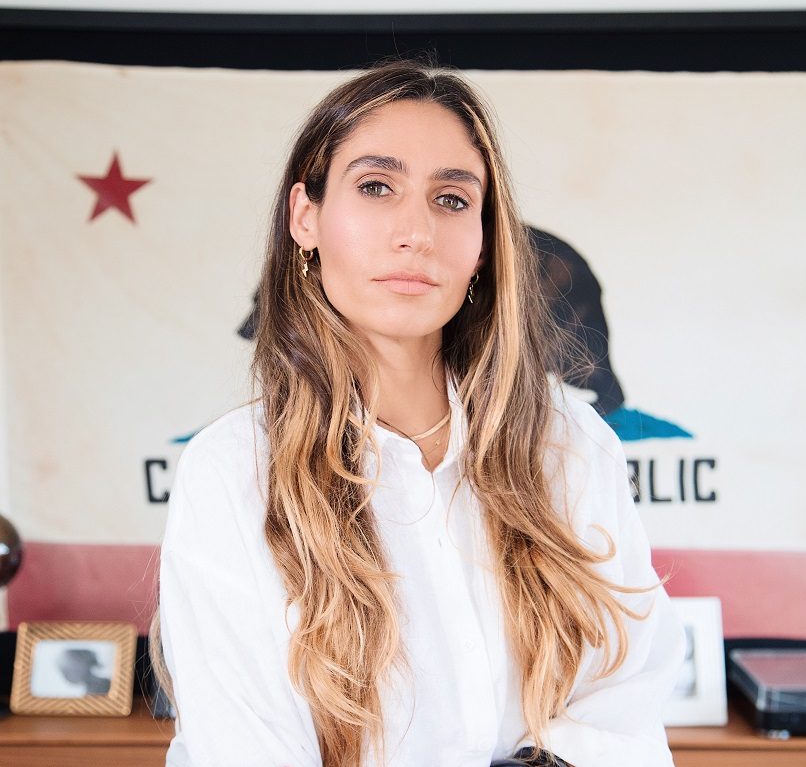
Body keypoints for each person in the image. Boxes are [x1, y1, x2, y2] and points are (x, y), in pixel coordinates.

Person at [150, 58, 685, 767]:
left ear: (483, 242)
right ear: (305, 216)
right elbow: (246, 746)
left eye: (452, 199)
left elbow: (624, 702)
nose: (416, 232)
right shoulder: (233, 472)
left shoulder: (569, 445)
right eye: (376, 187)